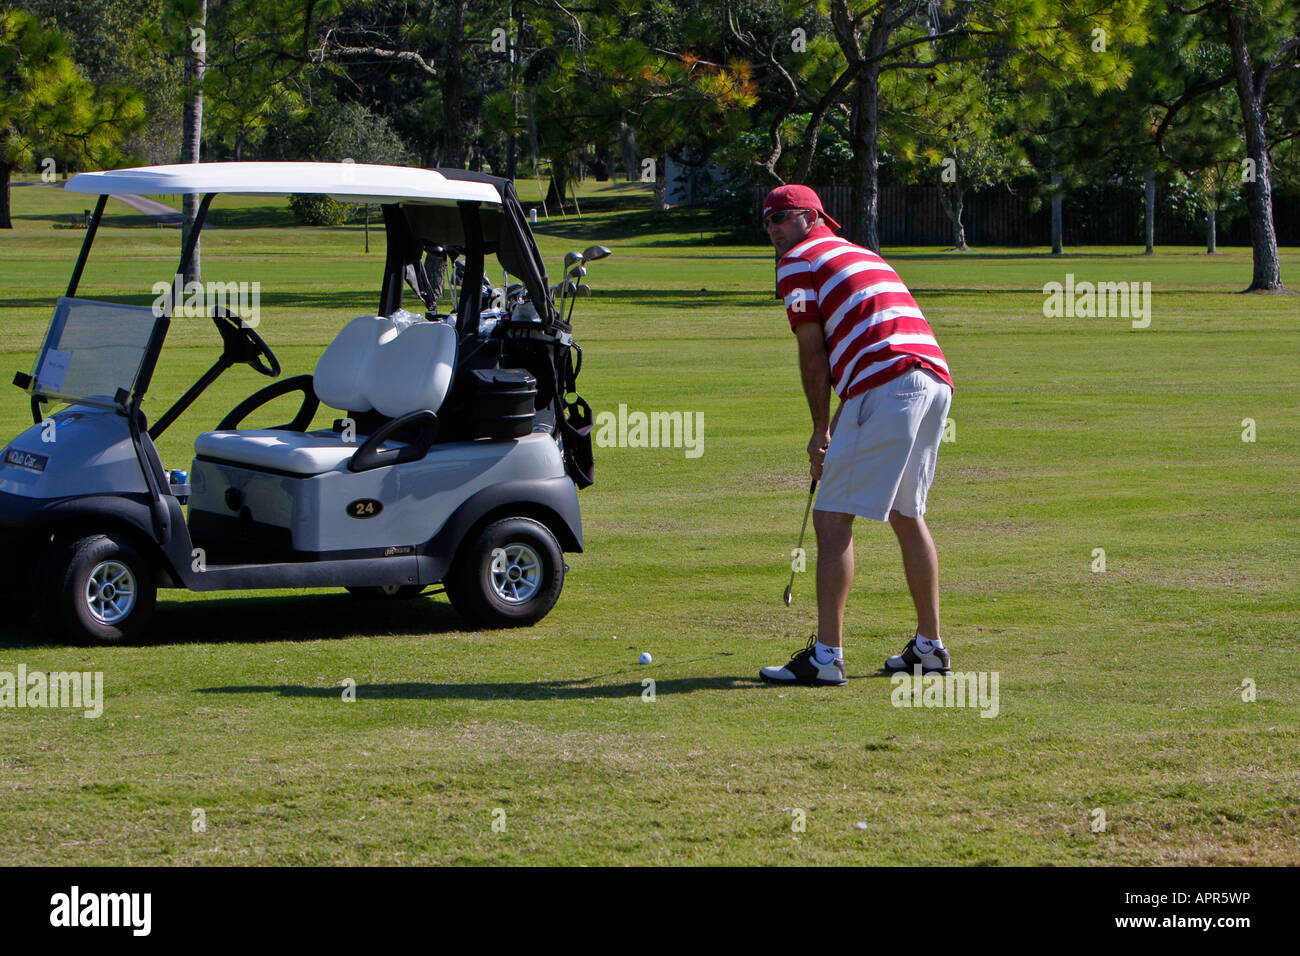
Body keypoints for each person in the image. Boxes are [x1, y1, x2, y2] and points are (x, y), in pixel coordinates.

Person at [757, 185, 954, 686]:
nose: (774, 228)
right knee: (906, 513)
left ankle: (827, 658)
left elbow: (814, 351)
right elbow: (868, 344)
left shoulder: (799, 260)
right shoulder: (859, 253)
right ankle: (930, 649)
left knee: (831, 517)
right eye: (767, 221)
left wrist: (819, 428)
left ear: (812, 216)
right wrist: (838, 425)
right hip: (931, 381)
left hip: (887, 384)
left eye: (782, 216)